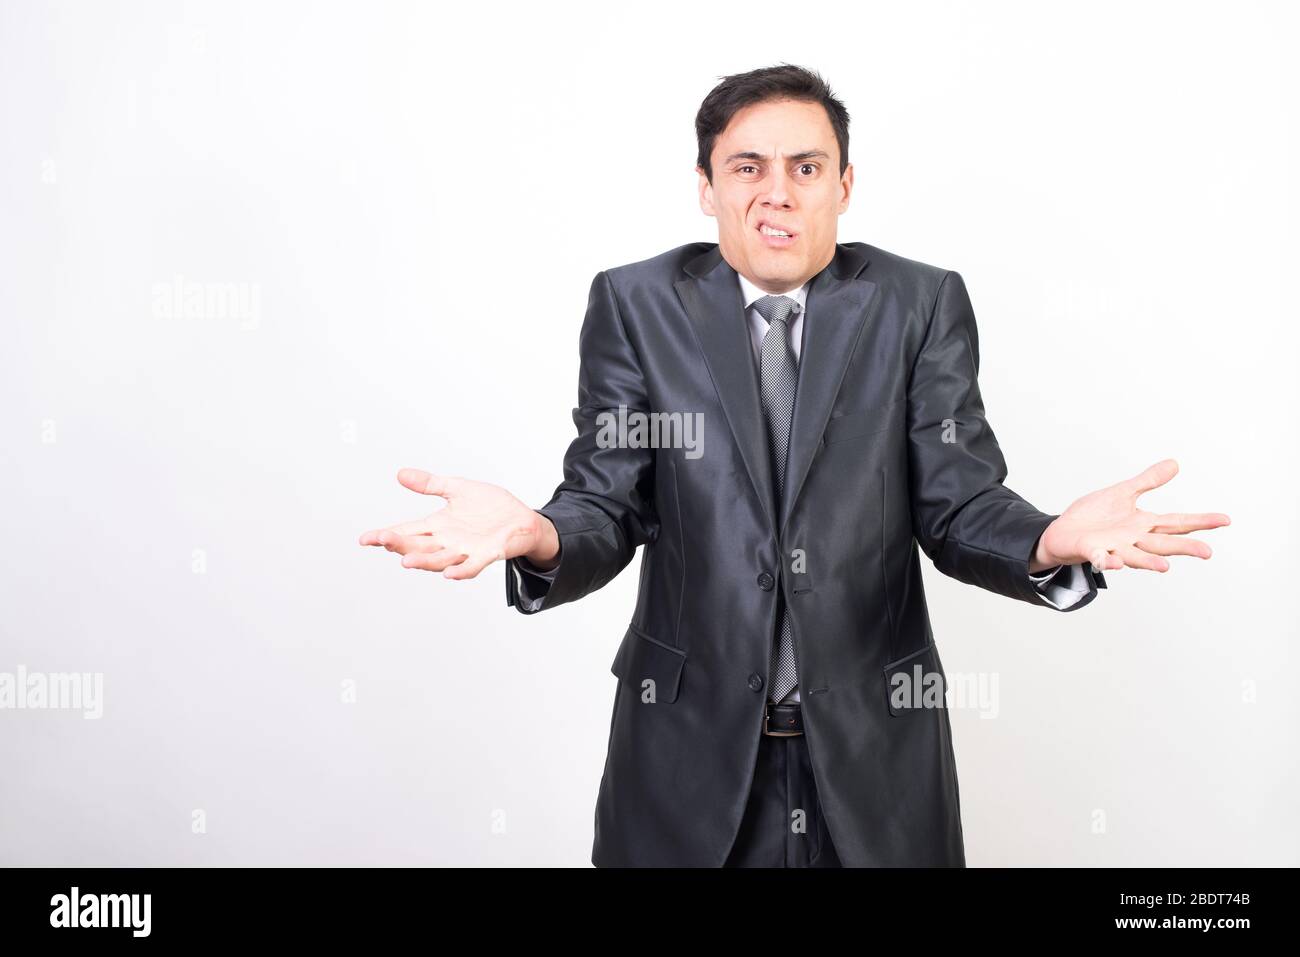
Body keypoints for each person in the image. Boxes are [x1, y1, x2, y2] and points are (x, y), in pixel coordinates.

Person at [359, 64, 1230, 867]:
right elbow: (608, 500)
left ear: (844, 186)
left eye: (807, 167)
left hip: (872, 765)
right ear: (706, 188)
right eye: (746, 167)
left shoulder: (918, 305)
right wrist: (540, 532)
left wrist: (1048, 541)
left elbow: (959, 503)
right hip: (683, 765)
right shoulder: (635, 304)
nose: (777, 192)